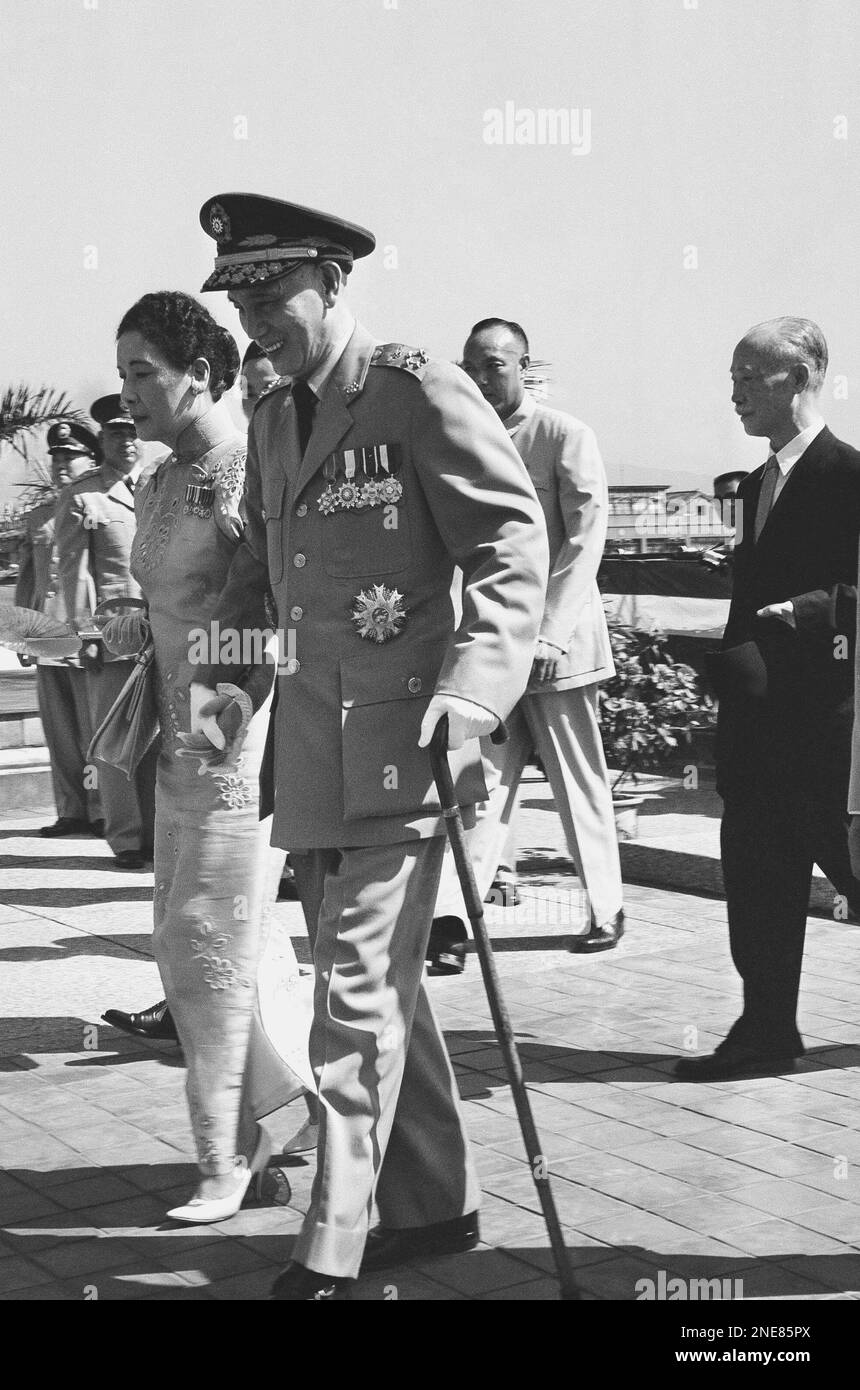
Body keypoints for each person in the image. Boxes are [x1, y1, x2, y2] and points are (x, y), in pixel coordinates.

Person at [193, 192, 547, 1297]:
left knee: (353, 999)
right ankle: (437, 1205)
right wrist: (220, 690)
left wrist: (480, 691)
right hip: (309, 755)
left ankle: (333, 1247)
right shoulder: (271, 415)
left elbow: (508, 539)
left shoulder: (415, 391)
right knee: (386, 992)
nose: (258, 320)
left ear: (335, 281)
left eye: (274, 292)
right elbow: (265, 578)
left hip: (406, 748)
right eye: (241, 297)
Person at [107, 289, 304, 1221]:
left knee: (202, 944)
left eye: (143, 374)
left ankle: (224, 1162)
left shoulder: (245, 473)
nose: (129, 395)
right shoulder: (151, 482)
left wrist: (212, 732)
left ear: (200, 372)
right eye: (123, 377)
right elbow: (164, 611)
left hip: (234, 736)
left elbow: (263, 617)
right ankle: (277, 1122)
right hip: (176, 740)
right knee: (216, 943)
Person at [676, 317, 860, 1081]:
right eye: (734, 376)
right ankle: (765, 1029)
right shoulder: (755, 484)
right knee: (755, 876)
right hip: (756, 718)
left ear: (803, 378)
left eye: (752, 377)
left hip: (824, 725)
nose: (736, 393)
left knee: (848, 867)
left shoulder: (849, 474)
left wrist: (811, 609)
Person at [427, 318, 623, 974]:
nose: (483, 379)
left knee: (578, 779)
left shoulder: (564, 435)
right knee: (479, 788)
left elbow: (584, 539)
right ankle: (459, 924)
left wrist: (550, 631)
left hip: (556, 647)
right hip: (492, 649)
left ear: (523, 365)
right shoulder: (461, 442)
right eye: (472, 366)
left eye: (496, 365)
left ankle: (605, 906)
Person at [55, 396, 158, 869]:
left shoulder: (161, 482)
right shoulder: (83, 496)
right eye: (117, 432)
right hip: (114, 635)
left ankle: (160, 832)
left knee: (162, 738)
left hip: (165, 631)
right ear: (103, 439)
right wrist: (86, 636)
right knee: (118, 741)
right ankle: (128, 838)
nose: (128, 440)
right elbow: (77, 575)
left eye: (133, 429)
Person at [16, 421, 102, 838]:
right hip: (48, 637)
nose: (62, 463)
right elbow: (27, 581)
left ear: (92, 460)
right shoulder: (39, 517)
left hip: (88, 634)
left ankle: (105, 810)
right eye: (56, 457)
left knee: (96, 728)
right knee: (61, 731)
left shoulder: (100, 507)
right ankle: (71, 810)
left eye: (71, 456)